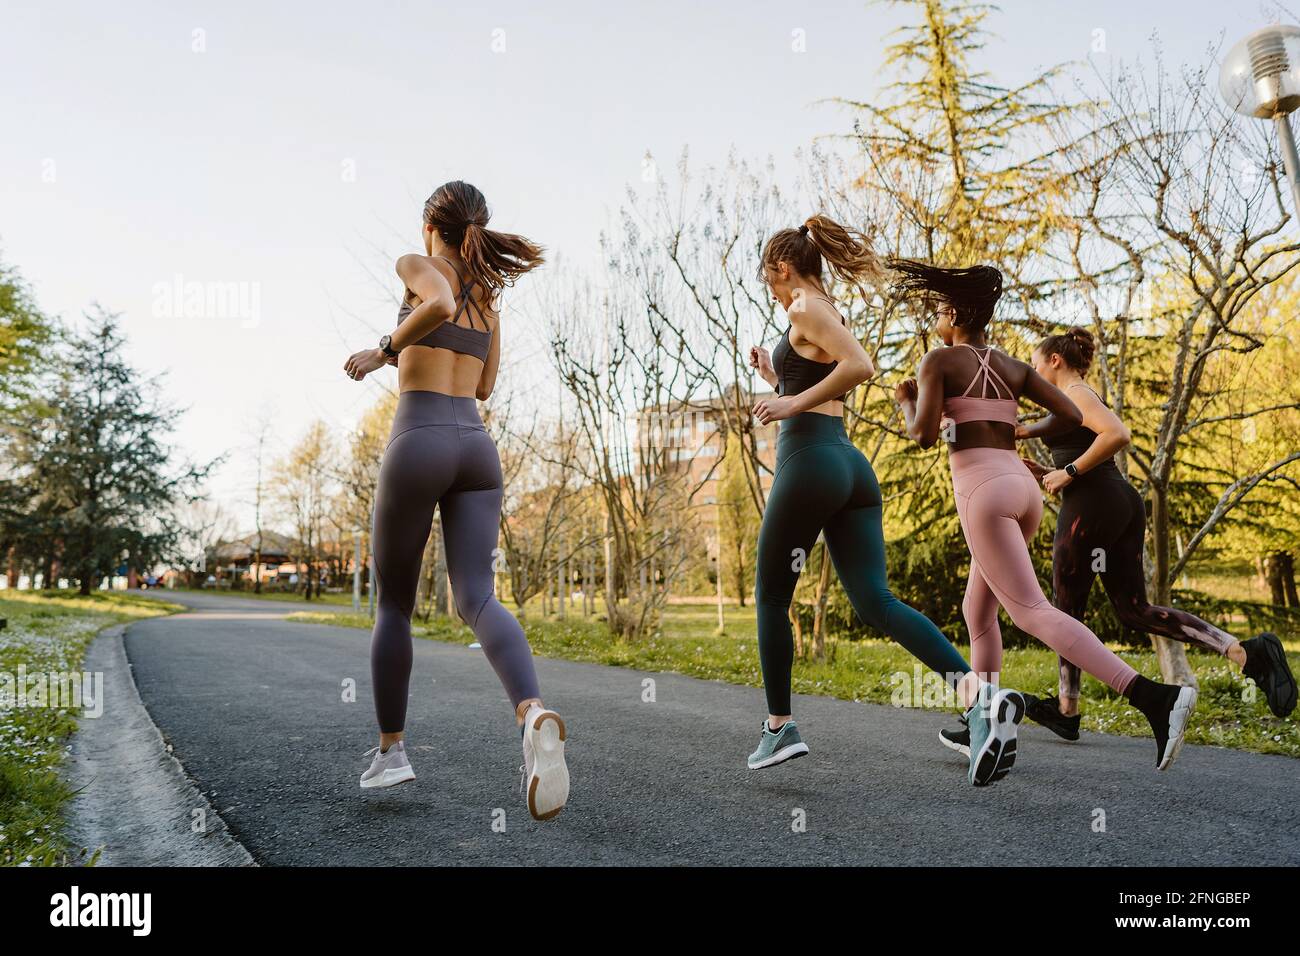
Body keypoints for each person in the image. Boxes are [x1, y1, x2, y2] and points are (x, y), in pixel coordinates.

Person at [748, 217, 1024, 787]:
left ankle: (780, 727)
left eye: (769, 282)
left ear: (781, 268)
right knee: (875, 602)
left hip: (811, 462)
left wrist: (790, 403)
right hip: (849, 468)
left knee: (772, 595)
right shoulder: (822, 308)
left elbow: (860, 366)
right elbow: (827, 369)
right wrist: (777, 375)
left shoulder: (804, 305)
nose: (773, 296)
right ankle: (978, 699)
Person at [893, 261, 1197, 771]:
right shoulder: (1014, 367)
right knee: (978, 612)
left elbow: (923, 436)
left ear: (955, 313)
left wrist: (907, 402)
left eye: (940, 311)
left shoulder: (938, 362)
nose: (936, 320)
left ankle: (1154, 698)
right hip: (1022, 490)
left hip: (982, 494)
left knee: (1030, 611)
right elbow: (1074, 415)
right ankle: (980, 721)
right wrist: (1016, 429)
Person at [343, 181, 569, 820]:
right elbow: (488, 384)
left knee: (395, 602)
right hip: (476, 447)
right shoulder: (489, 303)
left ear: (428, 226)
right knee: (476, 597)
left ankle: (392, 751)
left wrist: (384, 350)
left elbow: (436, 299)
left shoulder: (421, 269)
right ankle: (530, 714)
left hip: (419, 439)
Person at [1013, 326, 1295, 736]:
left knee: (1065, 610)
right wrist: (1048, 473)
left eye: (1036, 365)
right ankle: (1245, 653)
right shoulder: (1072, 402)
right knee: (1133, 610)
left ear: (1055, 361)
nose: (1034, 375)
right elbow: (1078, 446)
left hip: (1093, 505)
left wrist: (1070, 472)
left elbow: (1117, 434)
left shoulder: (1077, 394)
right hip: (1118, 503)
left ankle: (1067, 709)